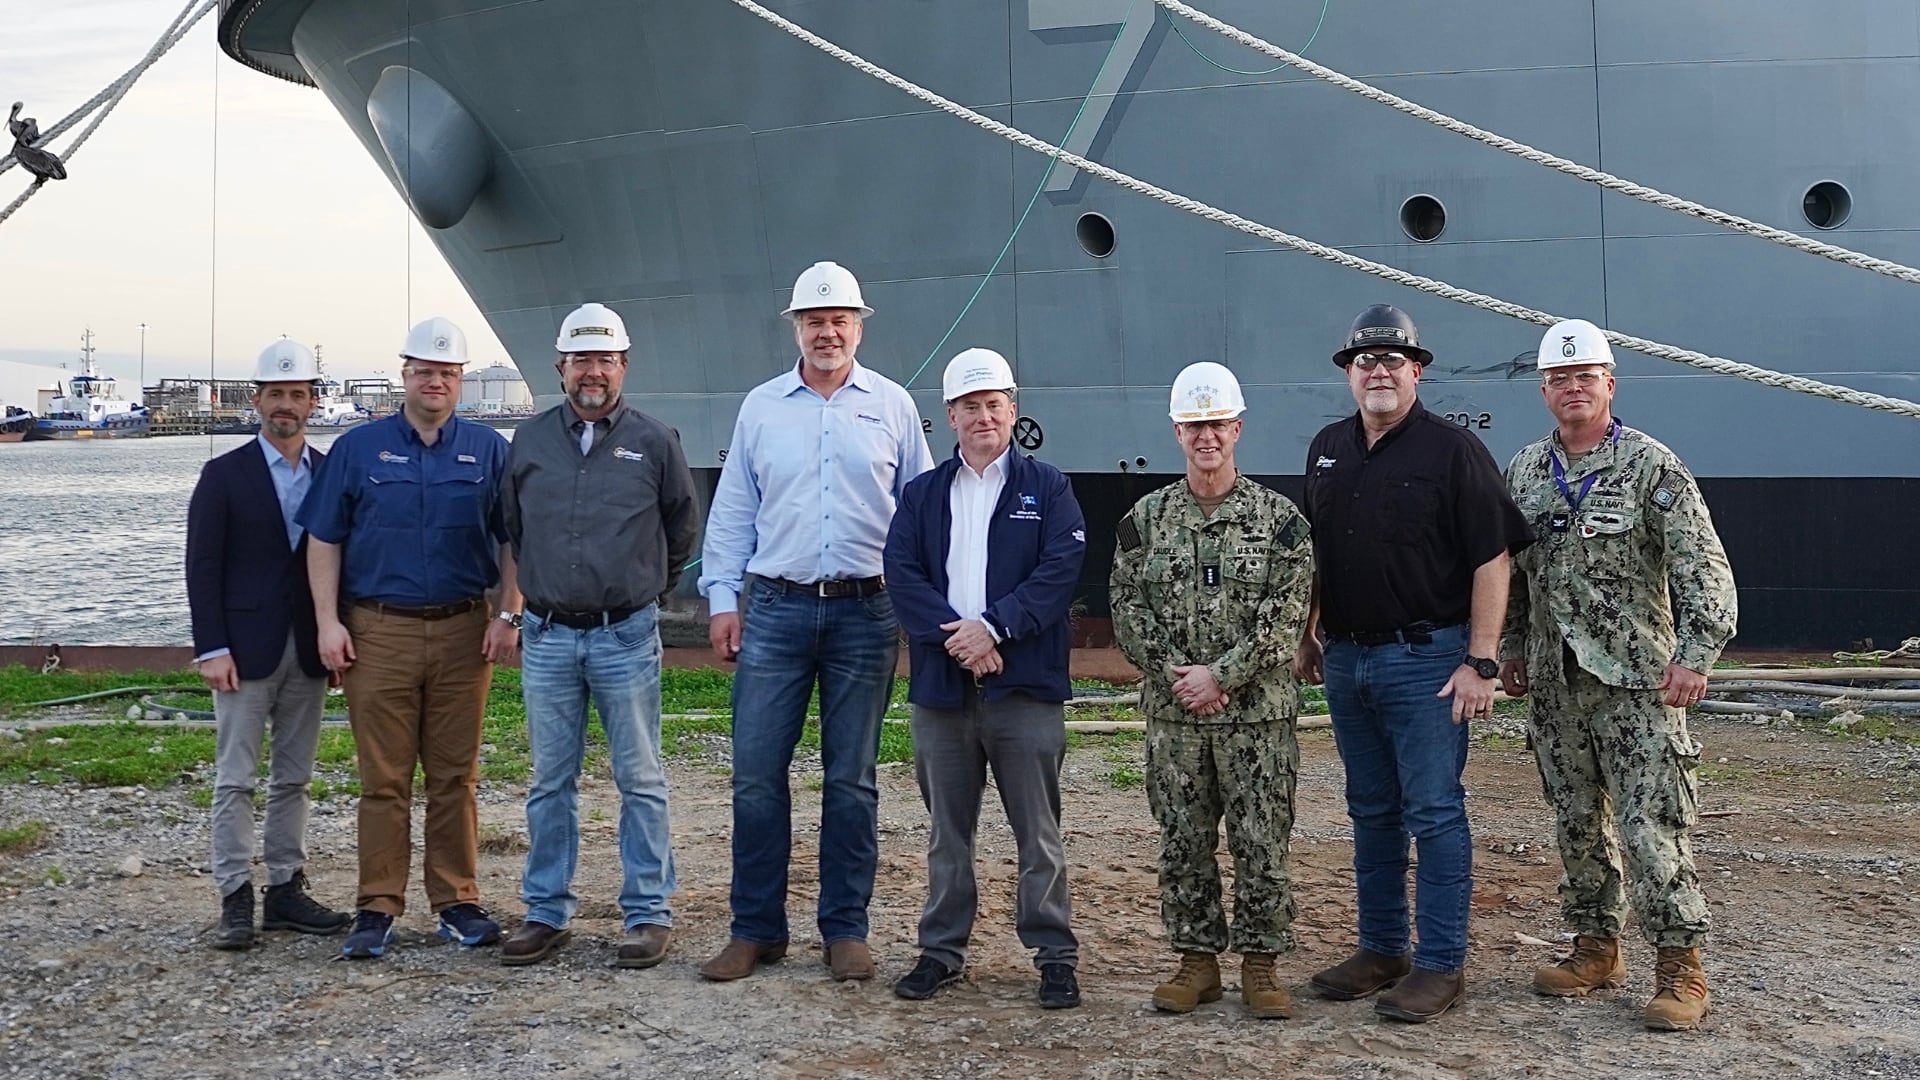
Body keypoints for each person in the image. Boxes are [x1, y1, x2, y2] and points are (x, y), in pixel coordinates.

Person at [697, 261, 935, 982]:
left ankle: (845, 929)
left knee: (851, 779)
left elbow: (921, 513)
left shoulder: (893, 406)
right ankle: (755, 929)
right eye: (814, 321)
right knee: (755, 775)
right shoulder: (762, 408)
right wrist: (722, 599)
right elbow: (734, 508)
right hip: (776, 608)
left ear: (859, 328)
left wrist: (924, 611)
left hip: (867, 612)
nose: (827, 332)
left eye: (839, 321)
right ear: (796, 329)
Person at [1294, 305, 1532, 1023]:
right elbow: (1317, 553)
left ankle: (1440, 966)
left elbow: (1493, 557)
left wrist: (1481, 661)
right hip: (1347, 660)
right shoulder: (1327, 447)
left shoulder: (1454, 452)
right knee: (1370, 810)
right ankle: (1382, 950)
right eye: (1364, 360)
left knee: (1432, 811)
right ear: (1349, 373)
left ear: (1417, 372)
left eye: (1392, 360)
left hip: (1425, 661)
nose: (1378, 371)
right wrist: (1309, 633)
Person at [1499, 318, 1737, 1031]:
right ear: (1544, 391)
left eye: (1585, 377)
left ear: (1610, 384)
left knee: (1649, 825)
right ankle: (1595, 946)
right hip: (1556, 682)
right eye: (1559, 378)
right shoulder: (1524, 471)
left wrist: (1695, 654)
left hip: (1637, 682)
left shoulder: (1652, 467)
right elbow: (1512, 574)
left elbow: (1702, 564)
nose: (1572, 388)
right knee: (1575, 820)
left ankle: (1680, 967)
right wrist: (1511, 646)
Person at [299, 316, 523, 960]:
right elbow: (324, 538)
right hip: (378, 632)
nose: (436, 383)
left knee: (456, 777)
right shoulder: (357, 450)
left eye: (447, 373)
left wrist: (508, 615)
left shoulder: (488, 450)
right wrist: (327, 623)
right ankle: (377, 905)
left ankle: (457, 901)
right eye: (425, 371)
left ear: (461, 380)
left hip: (463, 632)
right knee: (384, 780)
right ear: (405, 375)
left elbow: (514, 539)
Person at [882, 348, 1087, 1008]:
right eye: (969, 406)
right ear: (950, 416)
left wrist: (995, 628)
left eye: (994, 404)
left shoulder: (1048, 488)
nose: (983, 416)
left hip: (1023, 688)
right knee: (947, 834)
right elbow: (901, 574)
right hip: (944, 693)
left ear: (1012, 409)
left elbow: (1059, 572)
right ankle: (941, 952)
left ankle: (1054, 956)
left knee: (1039, 833)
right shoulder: (922, 495)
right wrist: (962, 640)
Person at [1109, 362, 1314, 1020]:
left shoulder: (1279, 521)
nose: (1207, 437)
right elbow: (1127, 610)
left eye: (1218, 424)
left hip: (1257, 719)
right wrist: (1182, 675)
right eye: (1194, 426)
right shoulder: (1145, 521)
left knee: (1262, 840)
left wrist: (1219, 676)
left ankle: (1261, 966)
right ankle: (1196, 963)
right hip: (1177, 718)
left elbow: (1286, 617)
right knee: (1182, 840)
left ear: (1237, 429)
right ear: (1177, 432)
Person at [498, 303, 700, 969]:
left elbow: (680, 526)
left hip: (625, 637)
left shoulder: (656, 441)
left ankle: (647, 912)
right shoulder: (529, 442)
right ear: (560, 367)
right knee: (549, 780)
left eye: (604, 359)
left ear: (623, 366)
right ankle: (545, 911)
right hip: (549, 635)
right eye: (581, 359)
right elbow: (513, 528)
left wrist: (647, 589)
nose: (593, 371)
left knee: (640, 777)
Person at [186, 338, 352, 950]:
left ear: (312, 403)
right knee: (236, 778)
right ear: (256, 401)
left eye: (297, 394)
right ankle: (234, 895)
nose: (287, 404)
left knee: (295, 777)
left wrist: (338, 633)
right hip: (243, 650)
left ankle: (285, 888)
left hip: (308, 646)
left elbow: (346, 561)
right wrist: (211, 647)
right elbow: (202, 566)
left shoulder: (330, 473)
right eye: (276, 394)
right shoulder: (223, 475)